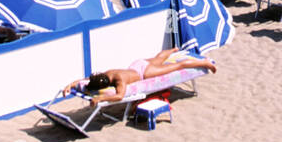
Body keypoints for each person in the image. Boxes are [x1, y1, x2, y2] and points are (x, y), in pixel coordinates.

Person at [66, 49, 217, 106]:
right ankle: (174, 50)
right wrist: (70, 85)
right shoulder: (108, 73)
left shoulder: (119, 80)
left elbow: (119, 96)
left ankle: (204, 63)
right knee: (158, 58)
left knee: (178, 66)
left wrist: (101, 98)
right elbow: (85, 79)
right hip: (137, 64)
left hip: (144, 72)